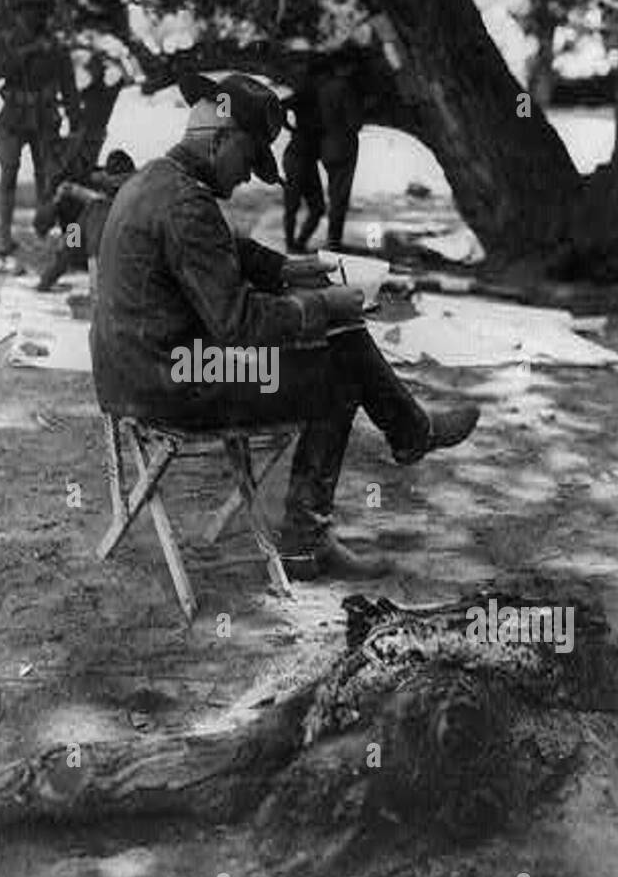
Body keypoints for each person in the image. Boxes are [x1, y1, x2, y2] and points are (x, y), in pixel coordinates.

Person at [91, 72, 479, 581]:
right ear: (221, 140)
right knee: (338, 367)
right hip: (173, 383)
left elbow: (222, 248)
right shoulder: (188, 204)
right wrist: (322, 304)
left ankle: (409, 433)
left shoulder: (156, 180)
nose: (248, 176)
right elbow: (239, 324)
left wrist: (289, 271)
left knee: (339, 341)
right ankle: (308, 538)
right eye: (249, 159)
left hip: (134, 372)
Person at [0, 0, 79, 258]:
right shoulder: (7, 41)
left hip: (44, 118)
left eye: (39, 11)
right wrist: (26, 52)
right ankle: (3, 237)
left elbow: (68, 85)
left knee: (46, 180)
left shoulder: (55, 46)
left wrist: (76, 122)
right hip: (13, 117)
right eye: (27, 11)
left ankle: (42, 237)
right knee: (8, 175)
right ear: (19, 13)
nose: (33, 17)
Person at [282, 48, 370, 253]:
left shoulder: (317, 91)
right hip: (336, 149)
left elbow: (284, 107)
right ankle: (330, 243)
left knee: (318, 201)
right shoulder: (339, 87)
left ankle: (296, 244)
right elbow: (354, 122)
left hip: (320, 151)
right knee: (338, 198)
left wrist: (290, 128)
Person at [34, 149, 136, 292]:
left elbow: (67, 251)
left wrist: (45, 281)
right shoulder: (135, 208)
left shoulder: (93, 208)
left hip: (103, 278)